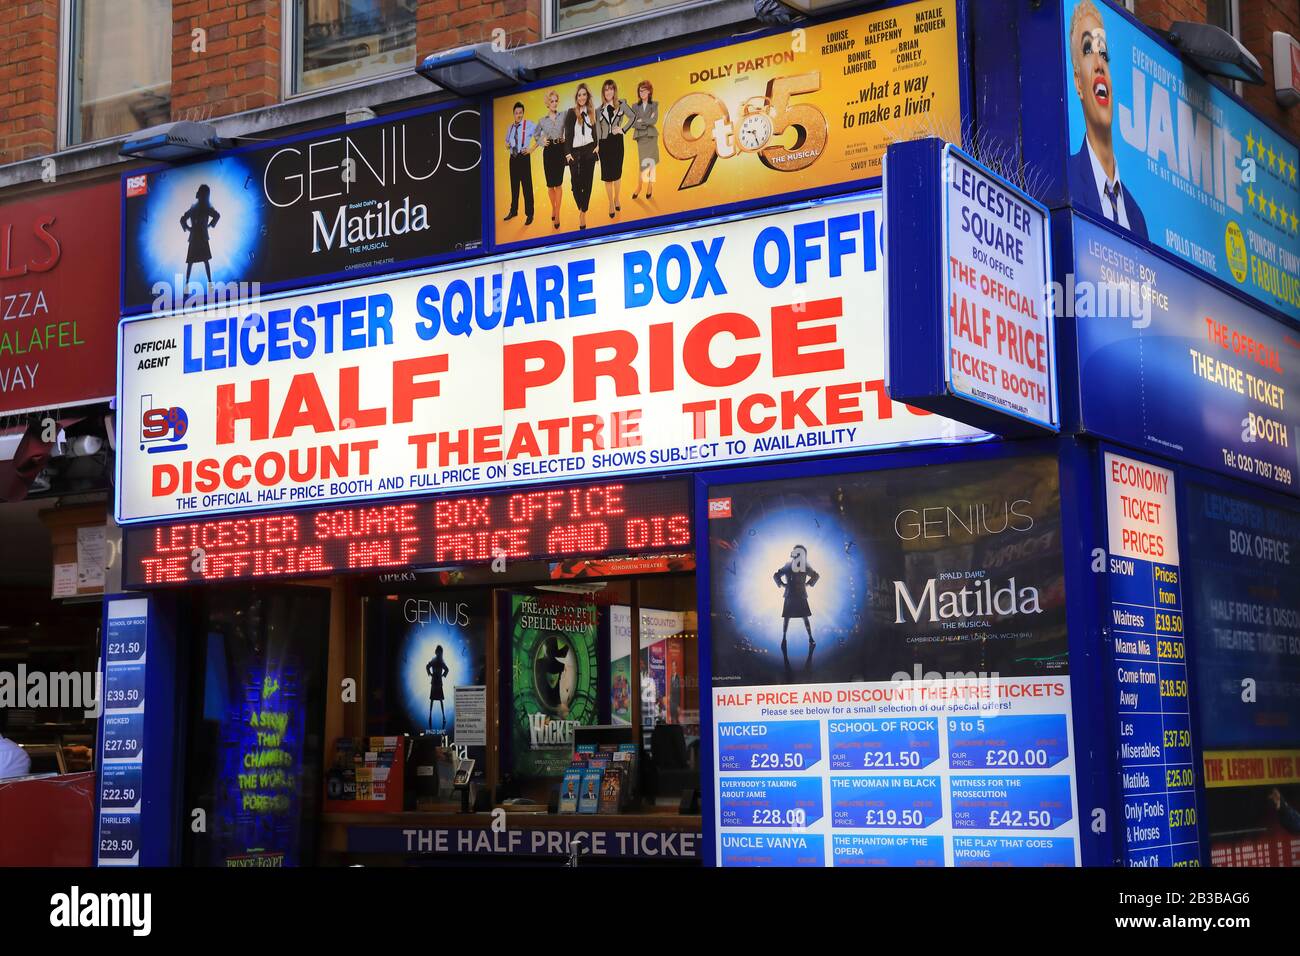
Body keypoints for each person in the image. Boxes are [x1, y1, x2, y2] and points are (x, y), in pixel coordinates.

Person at [1066, 0, 1147, 240]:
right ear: (1078, 83)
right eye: (1088, 50)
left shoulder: (1136, 217)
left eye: (1104, 53)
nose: (1100, 64)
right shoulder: (1065, 179)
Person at [774, 545, 820, 670]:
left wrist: (807, 584)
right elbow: (776, 575)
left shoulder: (801, 565)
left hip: (798, 594)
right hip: (793, 594)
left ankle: (809, 638)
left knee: (800, 618)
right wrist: (782, 584)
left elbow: (816, 575)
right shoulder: (792, 565)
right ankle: (785, 638)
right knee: (790, 618)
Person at [596, 79, 634, 220]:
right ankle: (611, 203)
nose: (609, 92)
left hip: (617, 143)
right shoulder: (598, 110)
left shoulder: (622, 104)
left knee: (617, 175)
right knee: (607, 177)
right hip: (604, 144)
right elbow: (598, 130)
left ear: (614, 90)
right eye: (606, 89)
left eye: (611, 89)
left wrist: (622, 129)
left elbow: (633, 117)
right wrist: (598, 145)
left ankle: (617, 198)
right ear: (603, 92)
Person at [563, 83, 599, 230]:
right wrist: (567, 153)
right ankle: (582, 207)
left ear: (587, 96)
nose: (582, 97)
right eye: (579, 95)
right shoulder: (571, 113)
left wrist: (597, 147)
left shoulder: (592, 112)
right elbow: (568, 134)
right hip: (575, 152)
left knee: (588, 182)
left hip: (590, 150)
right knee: (575, 184)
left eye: (584, 94)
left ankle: (583, 212)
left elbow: (596, 132)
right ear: (576, 97)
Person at [536, 91, 569, 231]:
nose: (555, 103)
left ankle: (558, 214)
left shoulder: (564, 115)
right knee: (550, 185)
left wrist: (566, 138)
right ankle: (553, 208)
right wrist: (542, 142)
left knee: (559, 184)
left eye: (556, 100)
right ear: (547, 103)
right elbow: (536, 135)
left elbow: (572, 127)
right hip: (549, 152)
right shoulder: (542, 121)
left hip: (560, 150)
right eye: (552, 101)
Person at [503, 102, 539, 226]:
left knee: (527, 186)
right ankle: (513, 211)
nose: (518, 115)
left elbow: (539, 136)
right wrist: (507, 145)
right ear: (513, 114)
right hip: (513, 158)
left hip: (523, 157)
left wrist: (531, 149)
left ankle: (530, 214)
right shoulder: (510, 128)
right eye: (516, 113)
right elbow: (507, 143)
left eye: (520, 113)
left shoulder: (529, 125)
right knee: (514, 186)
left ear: (523, 113)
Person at [179, 184, 221, 288]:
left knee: (200, 261)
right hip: (197, 238)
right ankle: (188, 283)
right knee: (193, 262)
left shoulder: (205, 208)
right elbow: (183, 219)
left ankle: (208, 282)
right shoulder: (196, 208)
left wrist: (208, 226)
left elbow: (217, 215)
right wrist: (189, 228)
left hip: (200, 238)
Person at [629, 80, 659, 201]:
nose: (642, 93)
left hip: (651, 136)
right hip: (641, 137)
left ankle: (650, 186)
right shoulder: (635, 106)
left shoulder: (654, 105)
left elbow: (654, 120)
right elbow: (633, 123)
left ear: (649, 91)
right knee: (642, 163)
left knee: (651, 162)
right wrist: (645, 121)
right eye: (640, 91)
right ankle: (639, 186)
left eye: (645, 90)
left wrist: (642, 120)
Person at [426, 645, 450, 732]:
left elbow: (447, 669)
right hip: (436, 682)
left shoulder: (438, 660)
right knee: (434, 700)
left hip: (437, 682)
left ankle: (442, 716)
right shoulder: (436, 660)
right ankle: (431, 715)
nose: (439, 653)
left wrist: (441, 675)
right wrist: (431, 673)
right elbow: (427, 666)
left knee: (439, 700)